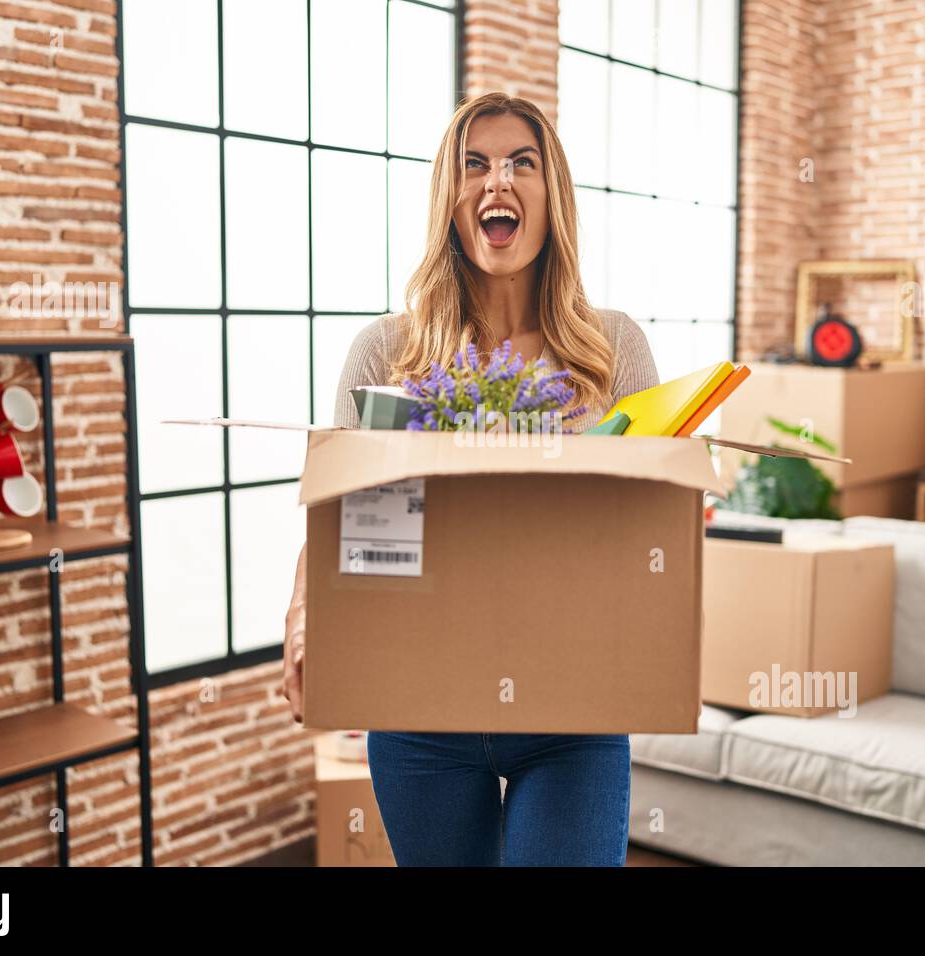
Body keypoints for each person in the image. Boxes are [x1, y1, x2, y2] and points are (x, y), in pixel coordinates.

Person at [282, 91, 660, 866]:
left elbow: (650, 517)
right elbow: (342, 517)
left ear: (551, 195)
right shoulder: (383, 353)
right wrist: (303, 617)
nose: (498, 182)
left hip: (573, 712)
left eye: (522, 163)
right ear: (449, 201)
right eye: (475, 165)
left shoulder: (614, 348)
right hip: (419, 711)